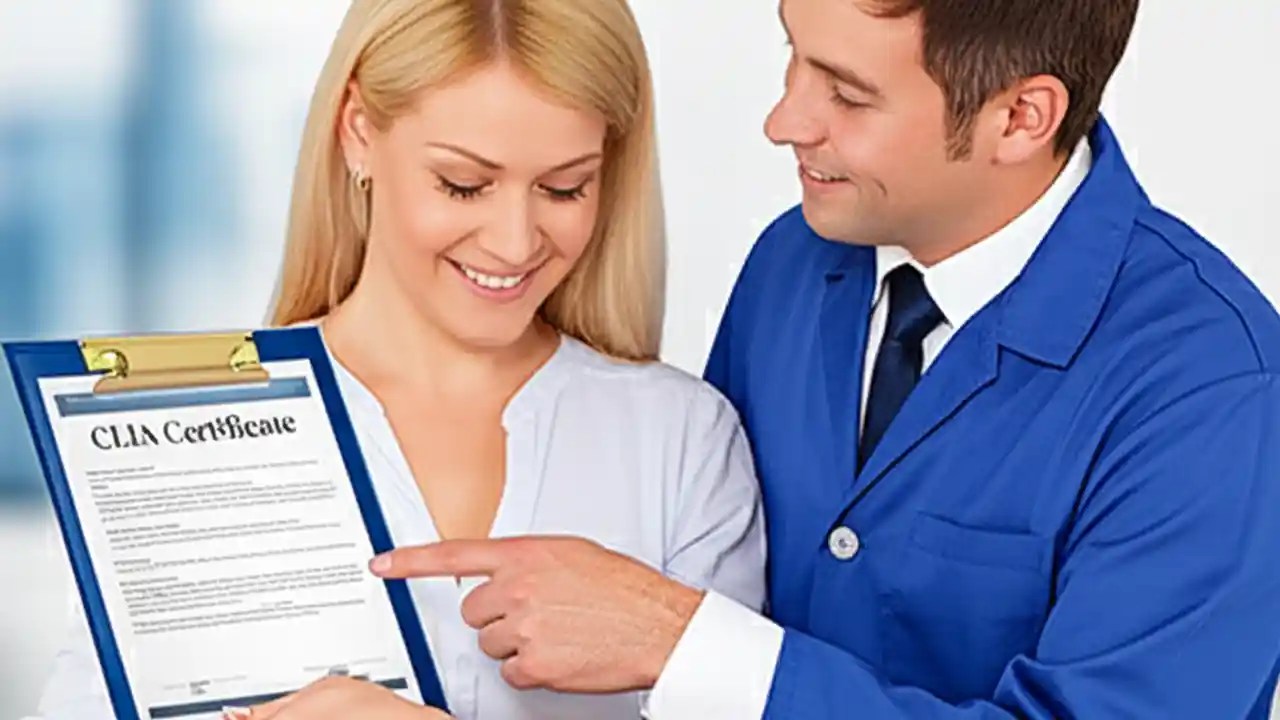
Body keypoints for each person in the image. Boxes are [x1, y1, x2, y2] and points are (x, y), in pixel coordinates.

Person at [322, 0, 1280, 718]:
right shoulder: (798, 264)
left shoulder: (1213, 391)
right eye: (794, 55)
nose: (784, 120)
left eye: (847, 94)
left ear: (1021, 117)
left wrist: (681, 642)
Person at [24, 1, 767, 719]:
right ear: (357, 133)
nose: (515, 242)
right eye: (463, 184)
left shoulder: (681, 441)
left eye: (563, 188)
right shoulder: (185, 427)